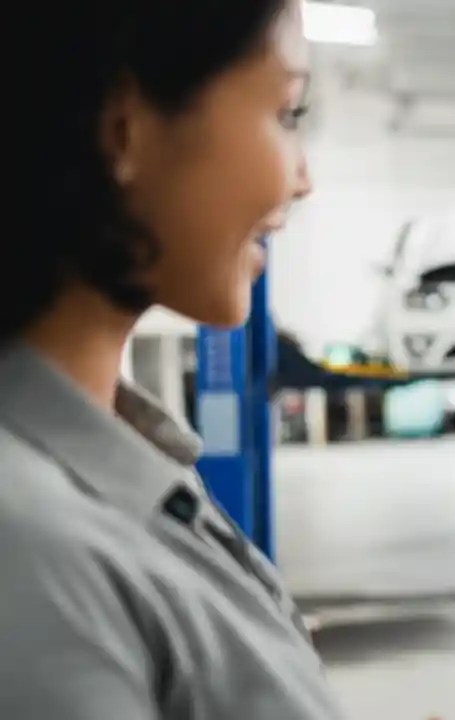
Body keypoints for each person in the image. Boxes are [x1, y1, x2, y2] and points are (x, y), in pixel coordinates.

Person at [0, 2, 336, 718]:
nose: (302, 179)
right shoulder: (29, 549)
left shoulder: (127, 473)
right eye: (286, 111)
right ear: (124, 129)